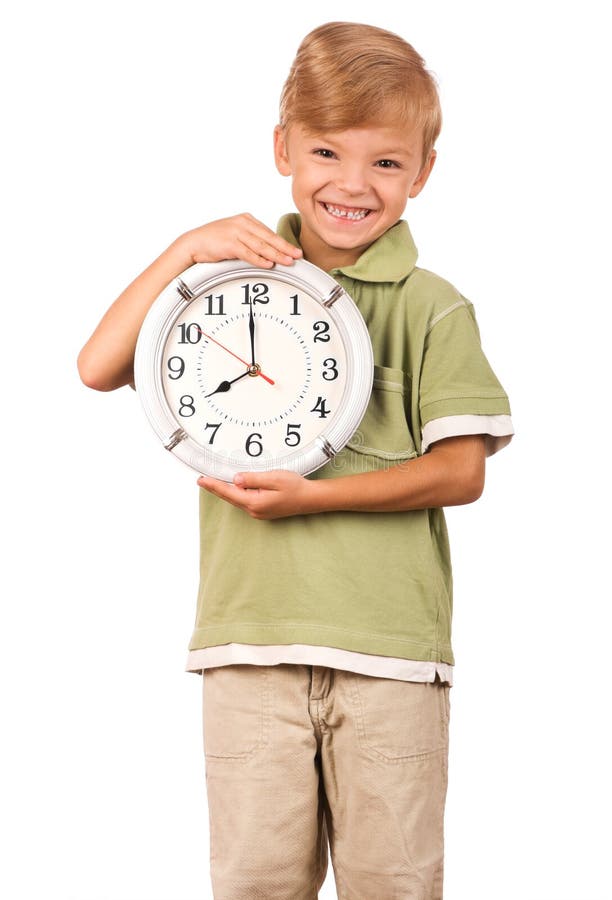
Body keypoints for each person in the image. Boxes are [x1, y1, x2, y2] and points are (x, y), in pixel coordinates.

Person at [78, 21, 513, 900]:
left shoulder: (433, 308)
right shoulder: (224, 287)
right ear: (283, 149)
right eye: (325, 151)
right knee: (252, 885)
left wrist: (317, 499)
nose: (352, 185)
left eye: (386, 163)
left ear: (423, 172)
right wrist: (186, 249)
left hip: (389, 656)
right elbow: (95, 368)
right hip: (248, 646)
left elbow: (462, 471)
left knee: (394, 884)